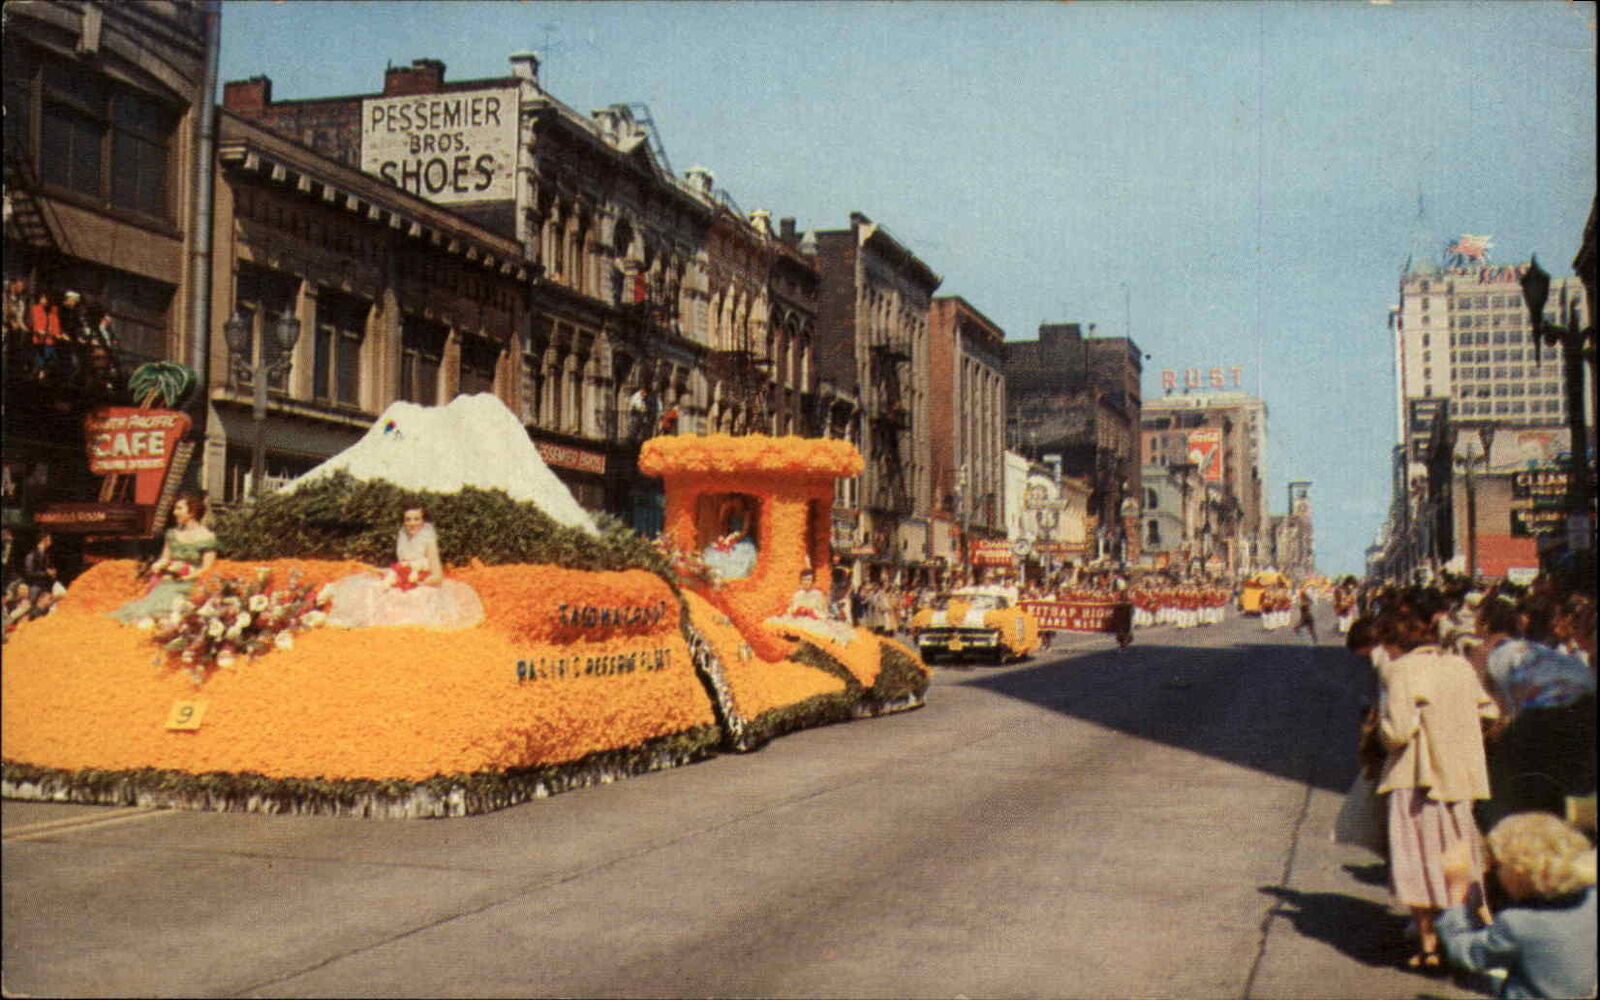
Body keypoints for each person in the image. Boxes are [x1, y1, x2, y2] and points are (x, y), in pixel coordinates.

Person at [1375, 608, 1501, 971]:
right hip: (1459, 778)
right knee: (1459, 856)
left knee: (1416, 859)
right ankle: (1473, 929)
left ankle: (1429, 943)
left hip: (1418, 778)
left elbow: (1397, 733)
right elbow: (1489, 710)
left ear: (1394, 643)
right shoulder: (1458, 665)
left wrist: (1381, 730)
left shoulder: (1400, 670)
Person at [1436, 812, 1597, 998]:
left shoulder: (1517, 923)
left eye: (1499, 866)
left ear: (1519, 871)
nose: (1496, 873)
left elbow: (1465, 952)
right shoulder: (1591, 899)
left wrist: (1457, 889)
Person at [324, 505, 484, 629]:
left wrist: (414, 583)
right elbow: (401, 565)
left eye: (416, 519)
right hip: (403, 579)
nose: (412, 523)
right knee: (368, 585)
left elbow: (437, 576)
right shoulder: (403, 538)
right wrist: (389, 573)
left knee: (409, 597)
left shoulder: (429, 542)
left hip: (421, 583)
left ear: (423, 521)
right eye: (408, 519)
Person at [111, 494, 218, 624]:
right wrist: (159, 566)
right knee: (150, 604)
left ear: (192, 512)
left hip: (191, 582)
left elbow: (207, 567)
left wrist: (185, 576)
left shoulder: (207, 536)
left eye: (179, 508)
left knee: (173, 604)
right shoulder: (172, 534)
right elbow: (164, 558)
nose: (174, 512)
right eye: (174, 508)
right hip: (168, 580)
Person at [767, 568, 855, 644]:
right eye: (804, 579)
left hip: (814, 621)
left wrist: (811, 612)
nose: (806, 582)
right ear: (800, 580)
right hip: (798, 620)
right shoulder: (797, 594)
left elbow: (824, 612)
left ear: (812, 581)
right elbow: (791, 609)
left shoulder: (818, 594)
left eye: (809, 579)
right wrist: (797, 610)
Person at [701, 498, 757, 582]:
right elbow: (722, 525)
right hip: (730, 538)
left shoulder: (746, 513)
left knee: (739, 555)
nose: (734, 504)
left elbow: (744, 531)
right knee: (716, 551)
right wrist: (724, 508)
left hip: (741, 539)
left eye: (736, 502)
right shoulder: (730, 512)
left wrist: (734, 537)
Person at [21, 531, 60, 603]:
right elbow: (29, 573)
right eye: (49, 539)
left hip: (46, 587)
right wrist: (47, 573)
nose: (50, 542)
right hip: (34, 587)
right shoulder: (31, 555)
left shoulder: (47, 555)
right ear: (44, 540)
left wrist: (52, 572)